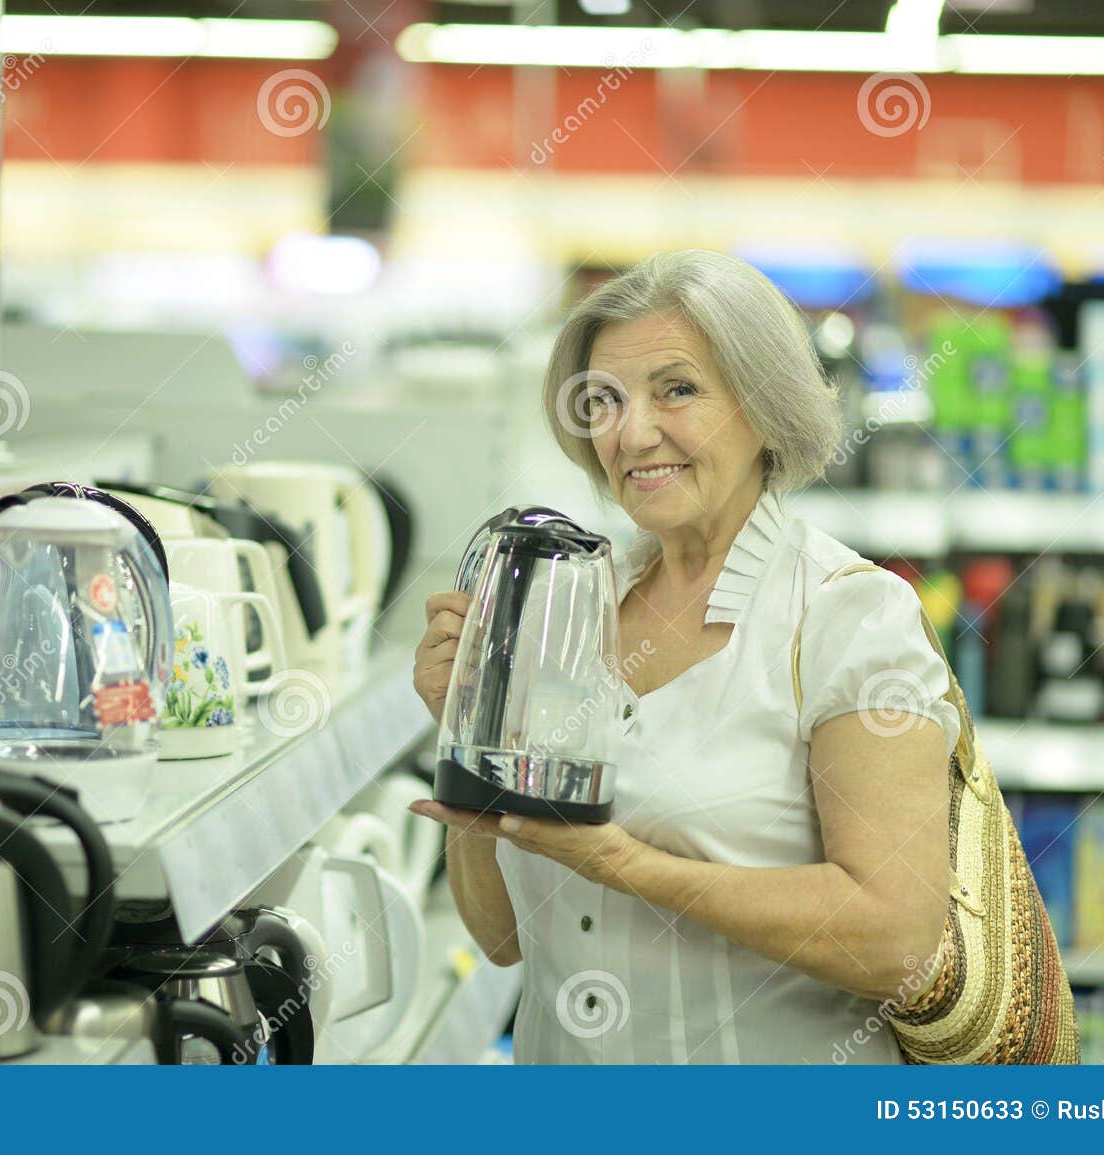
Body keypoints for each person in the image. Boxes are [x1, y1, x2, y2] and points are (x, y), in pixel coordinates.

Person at [410, 250, 961, 1064]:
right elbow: (501, 938)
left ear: (764, 405)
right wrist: (463, 729)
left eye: (677, 390)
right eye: (604, 399)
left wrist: (624, 862)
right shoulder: (568, 605)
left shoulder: (850, 617)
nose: (631, 434)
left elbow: (897, 941)